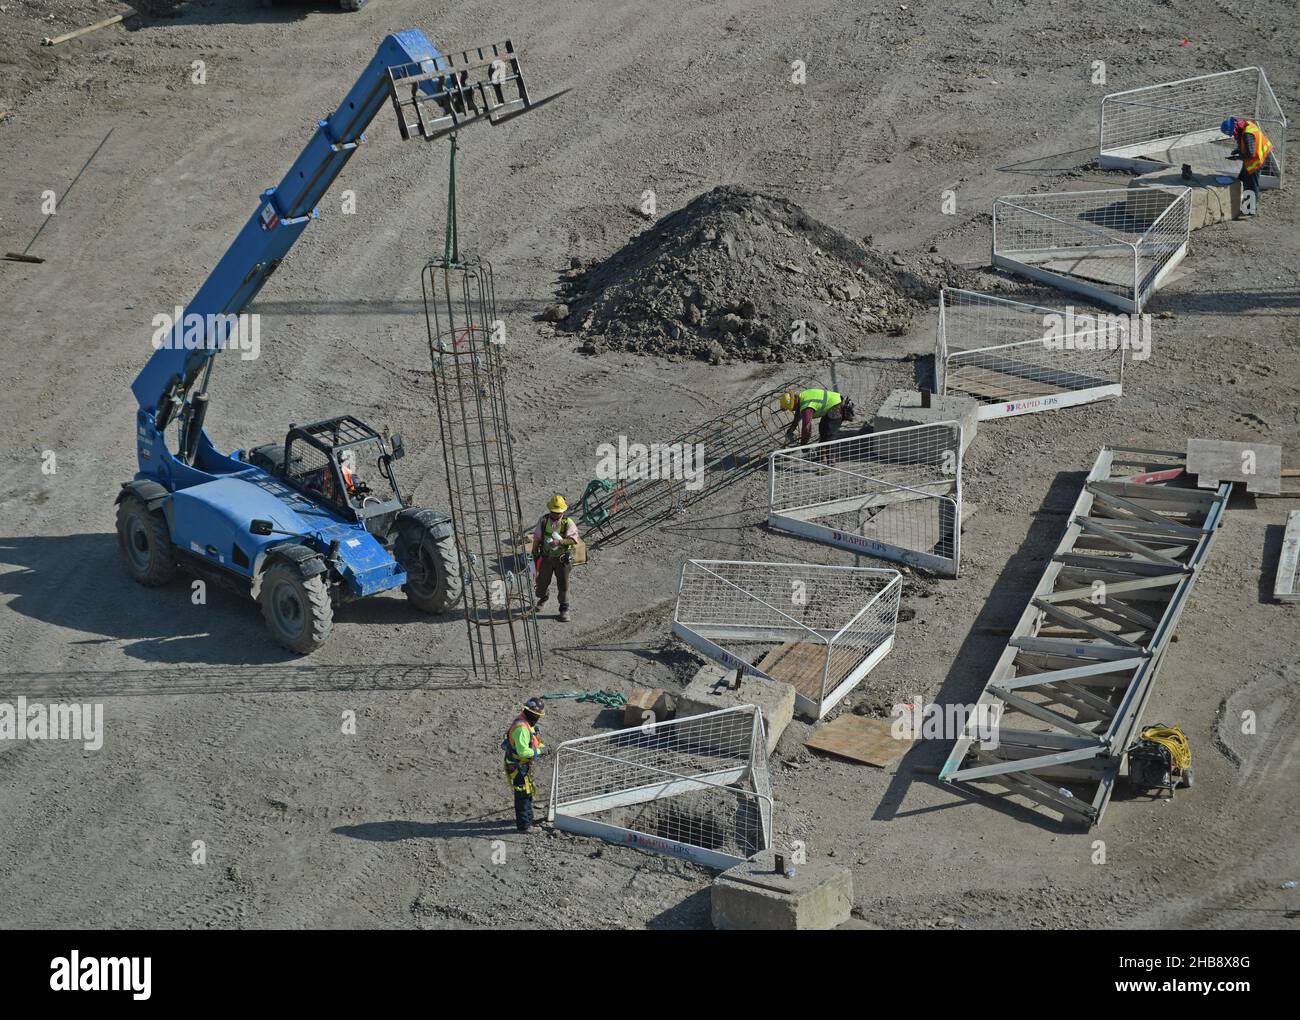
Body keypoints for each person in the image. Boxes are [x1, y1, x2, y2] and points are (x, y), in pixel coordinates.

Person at [501, 698, 545, 833]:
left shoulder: (526, 722)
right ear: (530, 713)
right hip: (518, 766)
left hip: (522, 764)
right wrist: (539, 752)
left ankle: (528, 818)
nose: (537, 718)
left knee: (527, 792)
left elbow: (531, 741)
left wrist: (539, 747)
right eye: (537, 715)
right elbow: (523, 751)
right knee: (522, 796)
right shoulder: (521, 728)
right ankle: (524, 826)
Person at [532, 494, 579, 622]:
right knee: (541, 583)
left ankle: (564, 609)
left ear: (563, 511)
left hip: (562, 560)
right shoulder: (543, 521)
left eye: (558, 512)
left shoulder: (568, 523)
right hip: (546, 558)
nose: (555, 514)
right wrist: (534, 552)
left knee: (563, 585)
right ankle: (543, 597)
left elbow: (573, 540)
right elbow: (537, 537)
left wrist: (559, 542)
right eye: (553, 512)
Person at [1221, 116, 1275, 214]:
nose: (1233, 136)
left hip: (1257, 160)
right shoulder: (1245, 125)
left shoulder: (1247, 134)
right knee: (1242, 178)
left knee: (1251, 185)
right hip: (1256, 155)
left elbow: (1250, 154)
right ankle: (1241, 202)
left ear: (1235, 128)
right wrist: (1238, 150)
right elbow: (1249, 145)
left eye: (1232, 134)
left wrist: (1237, 157)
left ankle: (1250, 210)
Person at [780, 388, 857, 446]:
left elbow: (807, 429)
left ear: (793, 405)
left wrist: (803, 445)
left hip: (836, 408)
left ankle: (830, 462)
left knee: (828, 434)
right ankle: (821, 457)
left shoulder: (806, 408)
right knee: (822, 428)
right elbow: (798, 414)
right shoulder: (802, 396)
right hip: (835, 401)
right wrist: (791, 429)